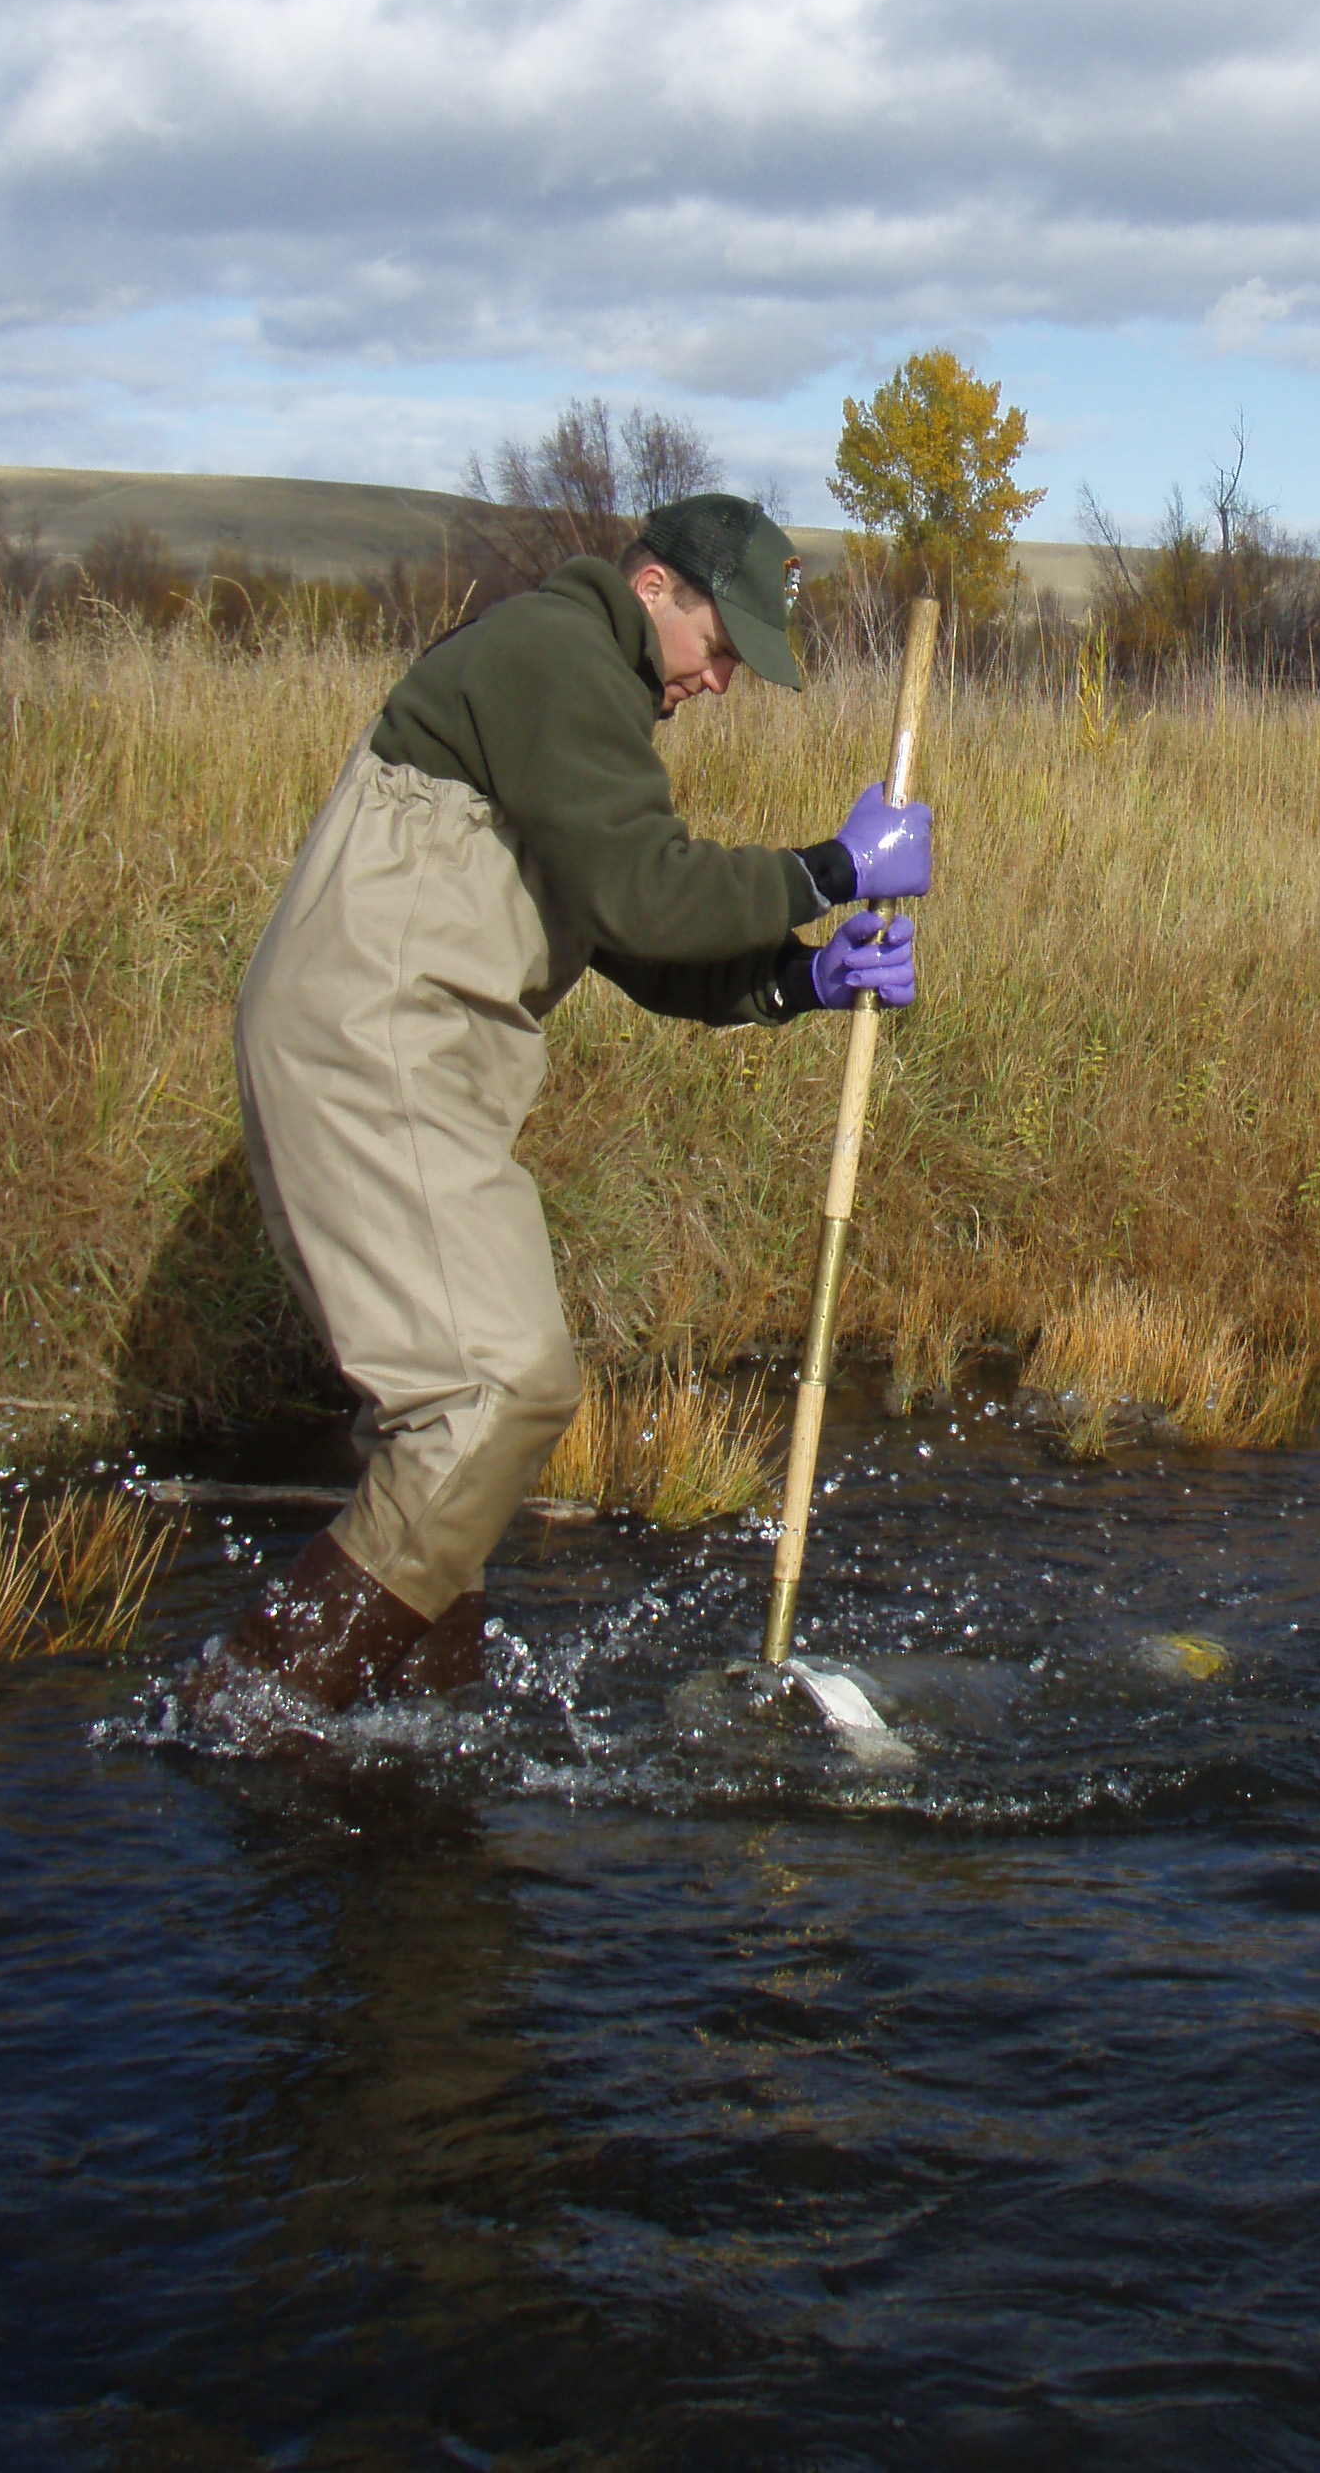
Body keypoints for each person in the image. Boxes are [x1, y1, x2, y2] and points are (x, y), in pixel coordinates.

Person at [187, 493, 931, 1723]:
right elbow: (648, 893)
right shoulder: (556, 653)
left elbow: (629, 934)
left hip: (401, 1051)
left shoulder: (585, 686)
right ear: (653, 590)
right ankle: (252, 1714)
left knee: (440, 1420)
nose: (723, 681)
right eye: (722, 644)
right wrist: (832, 871)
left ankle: (415, 1745)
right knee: (499, 1392)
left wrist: (805, 975)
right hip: (377, 1043)